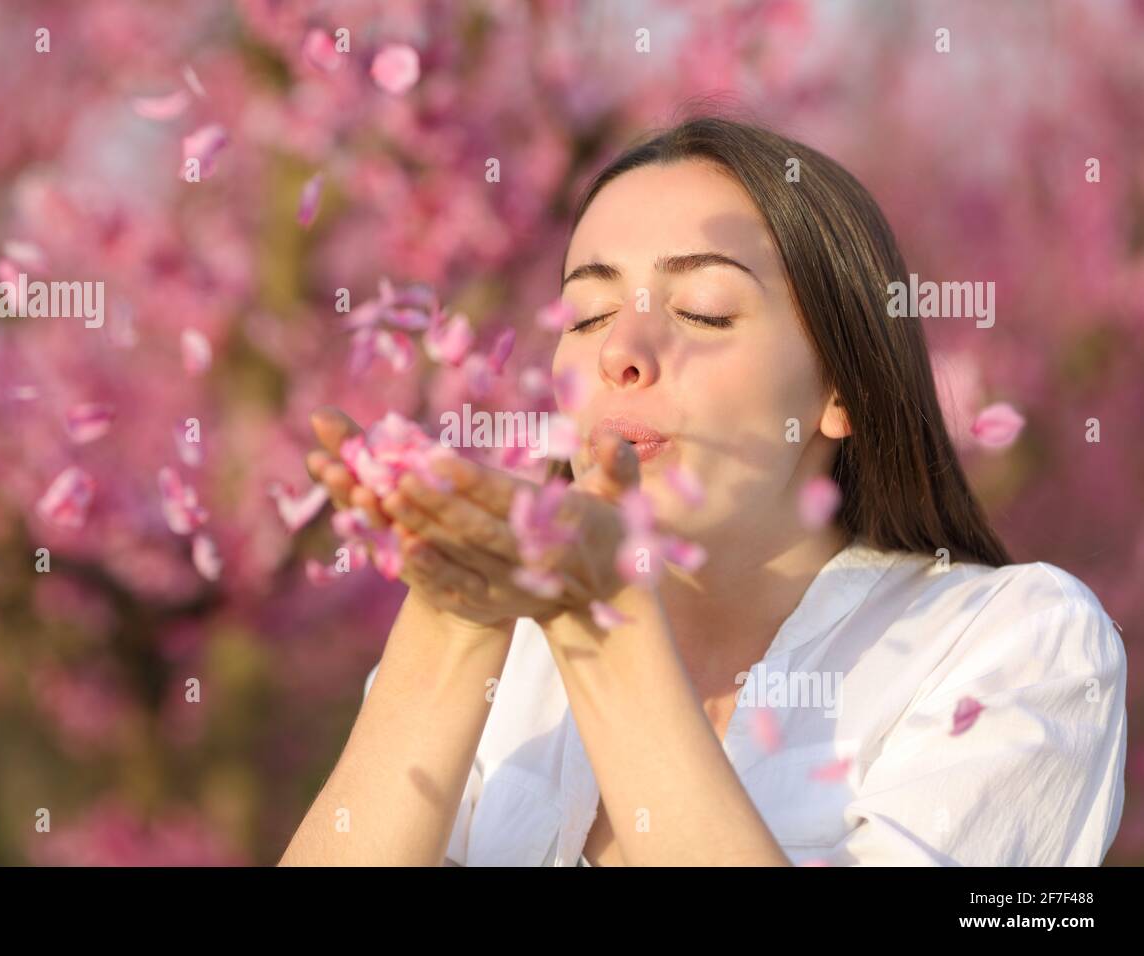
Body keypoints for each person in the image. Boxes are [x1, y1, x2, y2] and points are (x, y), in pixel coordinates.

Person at [278, 114, 1128, 867]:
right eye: (586, 315)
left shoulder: (1014, 646)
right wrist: (453, 627)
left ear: (842, 389)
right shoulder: (508, 663)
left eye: (704, 309)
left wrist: (604, 622)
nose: (623, 351)